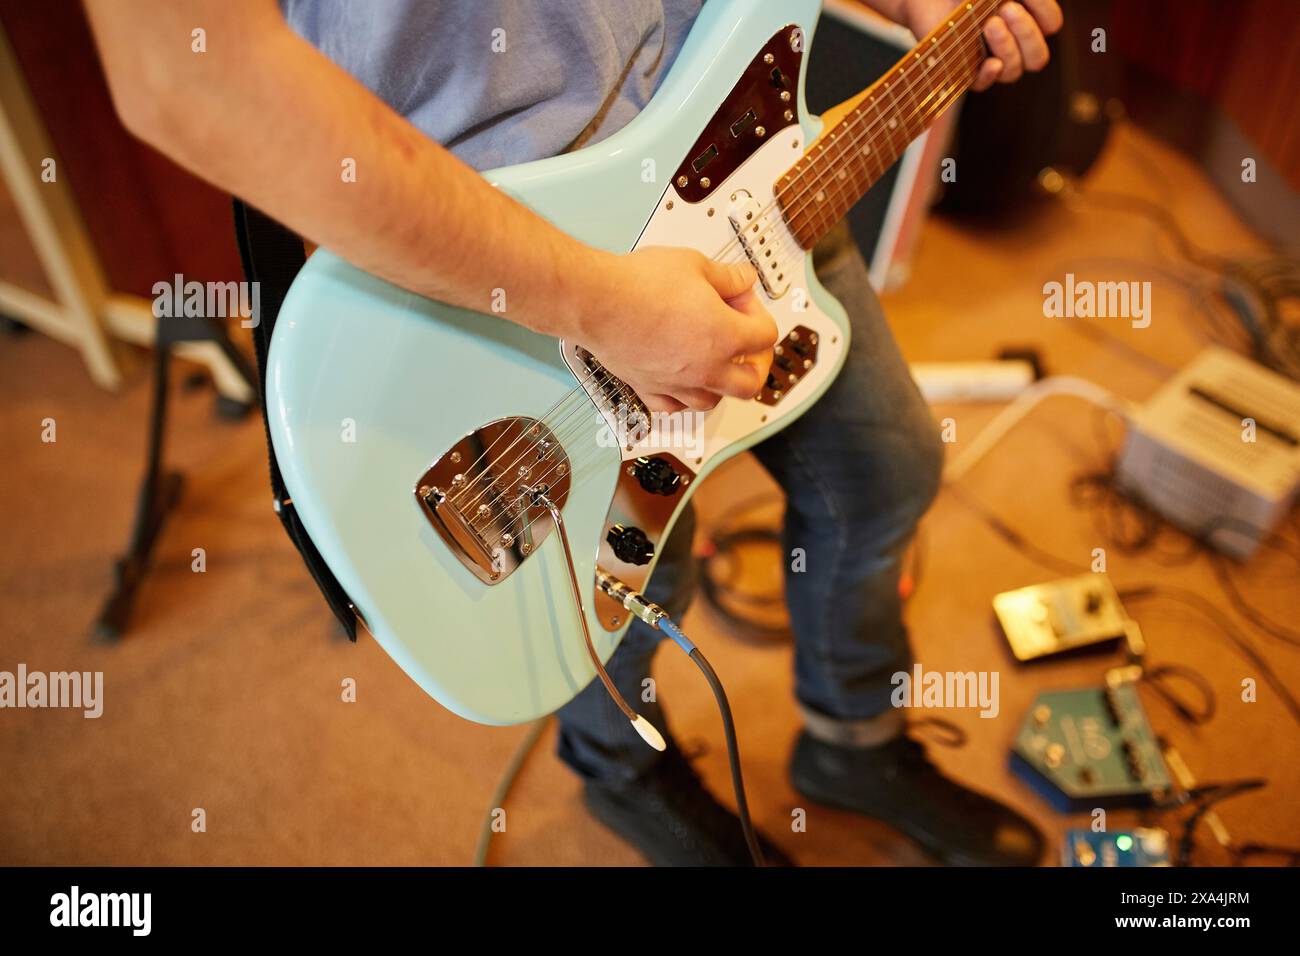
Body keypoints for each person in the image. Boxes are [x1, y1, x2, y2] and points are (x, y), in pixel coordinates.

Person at [88, 0, 1063, 866]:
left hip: (739, 144)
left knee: (883, 466)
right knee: (623, 594)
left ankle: (851, 742)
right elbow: (186, 68)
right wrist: (602, 307)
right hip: (490, 242)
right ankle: (621, 769)